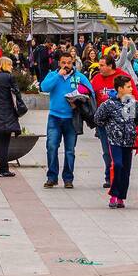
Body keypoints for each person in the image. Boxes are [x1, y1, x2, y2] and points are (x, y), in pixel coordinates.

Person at [40, 49, 89, 189]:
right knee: (51, 147)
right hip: (55, 117)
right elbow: (44, 87)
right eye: (63, 63)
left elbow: (89, 92)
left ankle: (68, 178)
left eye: (69, 62)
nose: (66, 65)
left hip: (72, 118)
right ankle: (52, 177)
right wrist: (58, 76)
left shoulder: (79, 77)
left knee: (70, 150)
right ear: (59, 63)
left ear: (73, 62)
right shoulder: (53, 75)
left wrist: (79, 100)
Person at [94, 73, 138, 209]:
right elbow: (98, 118)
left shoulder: (131, 103)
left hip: (128, 141)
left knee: (126, 169)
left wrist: (131, 128)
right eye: (128, 87)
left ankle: (121, 197)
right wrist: (110, 128)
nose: (131, 89)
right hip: (114, 141)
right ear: (120, 88)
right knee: (117, 165)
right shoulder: (108, 104)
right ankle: (113, 195)